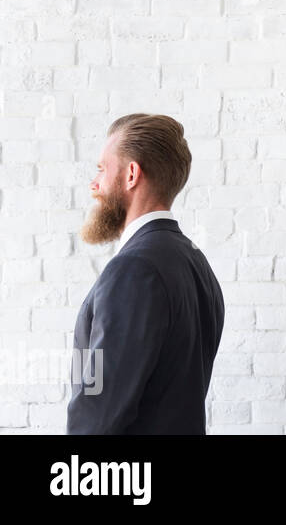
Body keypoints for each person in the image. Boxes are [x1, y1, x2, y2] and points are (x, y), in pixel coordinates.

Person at [67, 114, 224, 434]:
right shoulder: (196, 263)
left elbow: (100, 409)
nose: (94, 184)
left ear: (131, 174)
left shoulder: (134, 269)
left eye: (101, 169)